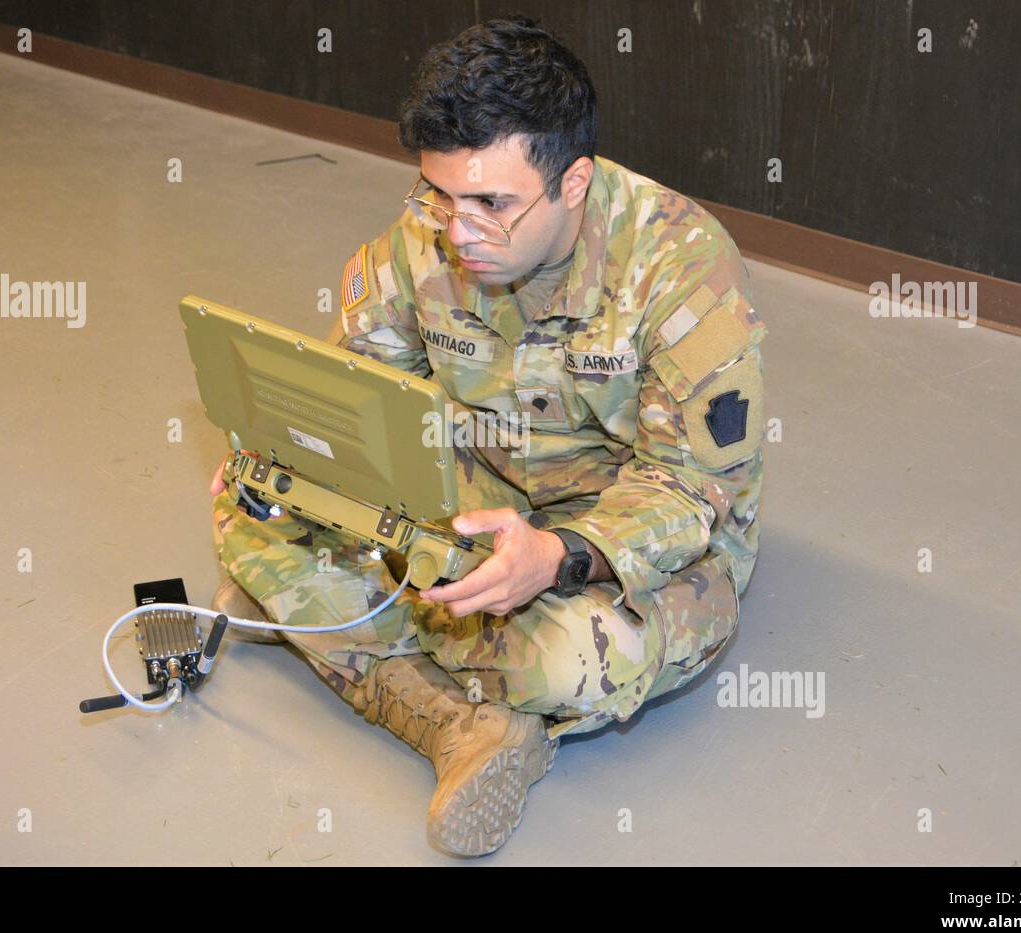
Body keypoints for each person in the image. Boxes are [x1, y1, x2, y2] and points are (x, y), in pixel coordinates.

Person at [207, 14, 768, 857]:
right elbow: (358, 379)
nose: (459, 229)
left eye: (493, 204)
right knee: (251, 509)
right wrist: (288, 457)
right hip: (472, 490)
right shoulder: (428, 230)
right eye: (442, 194)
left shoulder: (683, 270)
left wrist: (558, 555)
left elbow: (693, 488)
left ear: (572, 183)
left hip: (609, 535)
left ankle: (338, 627)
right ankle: (458, 723)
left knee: (573, 661)